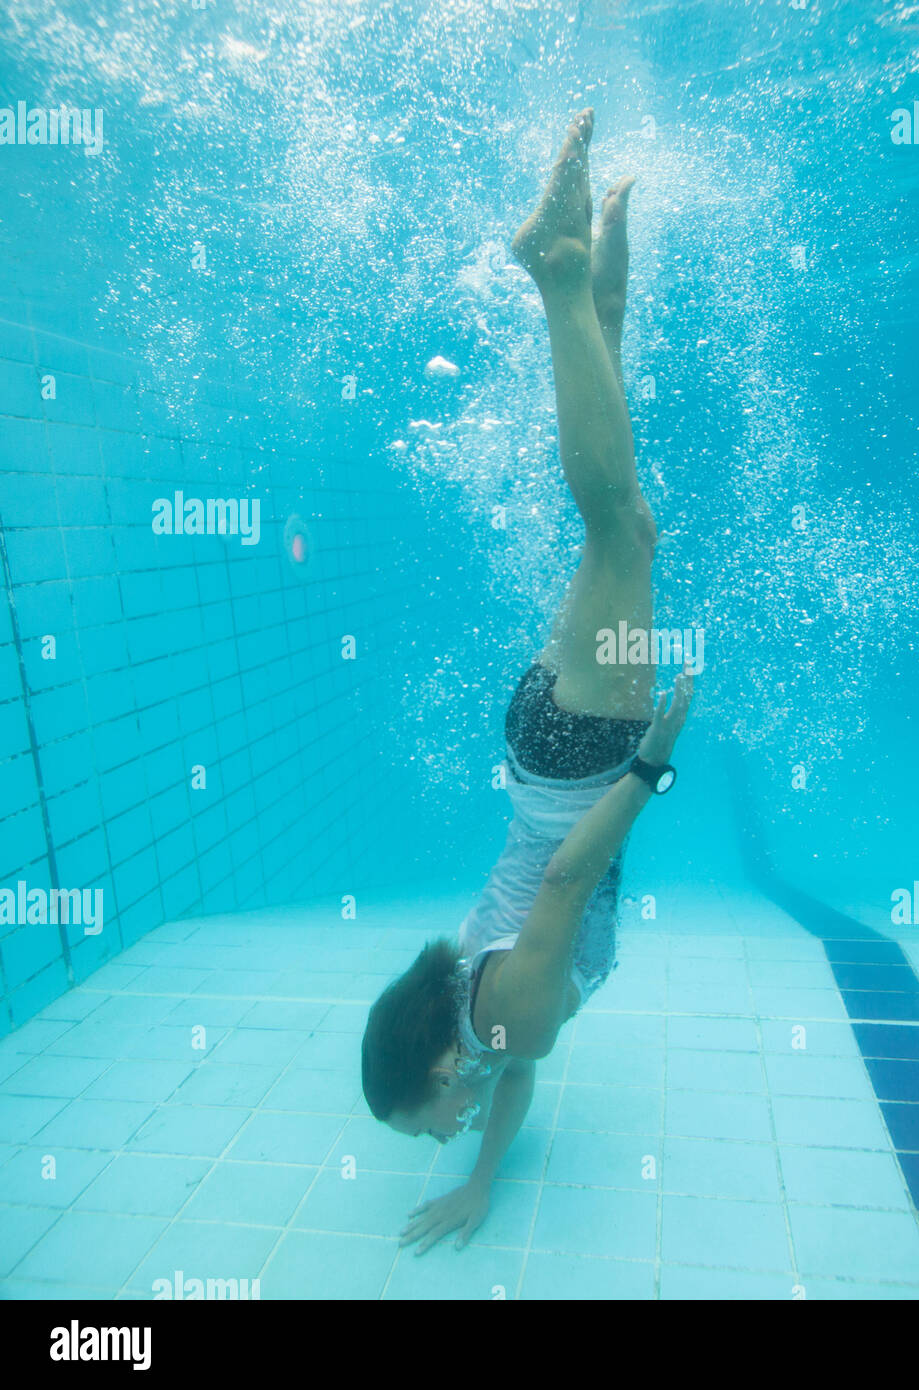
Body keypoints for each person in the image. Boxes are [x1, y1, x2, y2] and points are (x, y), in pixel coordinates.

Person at [361, 108, 694, 1253]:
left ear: (438, 1060)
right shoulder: (481, 1023)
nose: (430, 1134)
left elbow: (560, 886)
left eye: (424, 1124)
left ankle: (553, 273)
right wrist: (485, 1179)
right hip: (544, 747)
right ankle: (601, 278)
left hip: (586, 757)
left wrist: (651, 767)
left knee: (621, 529)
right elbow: (508, 1075)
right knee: (619, 525)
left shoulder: (506, 1019)